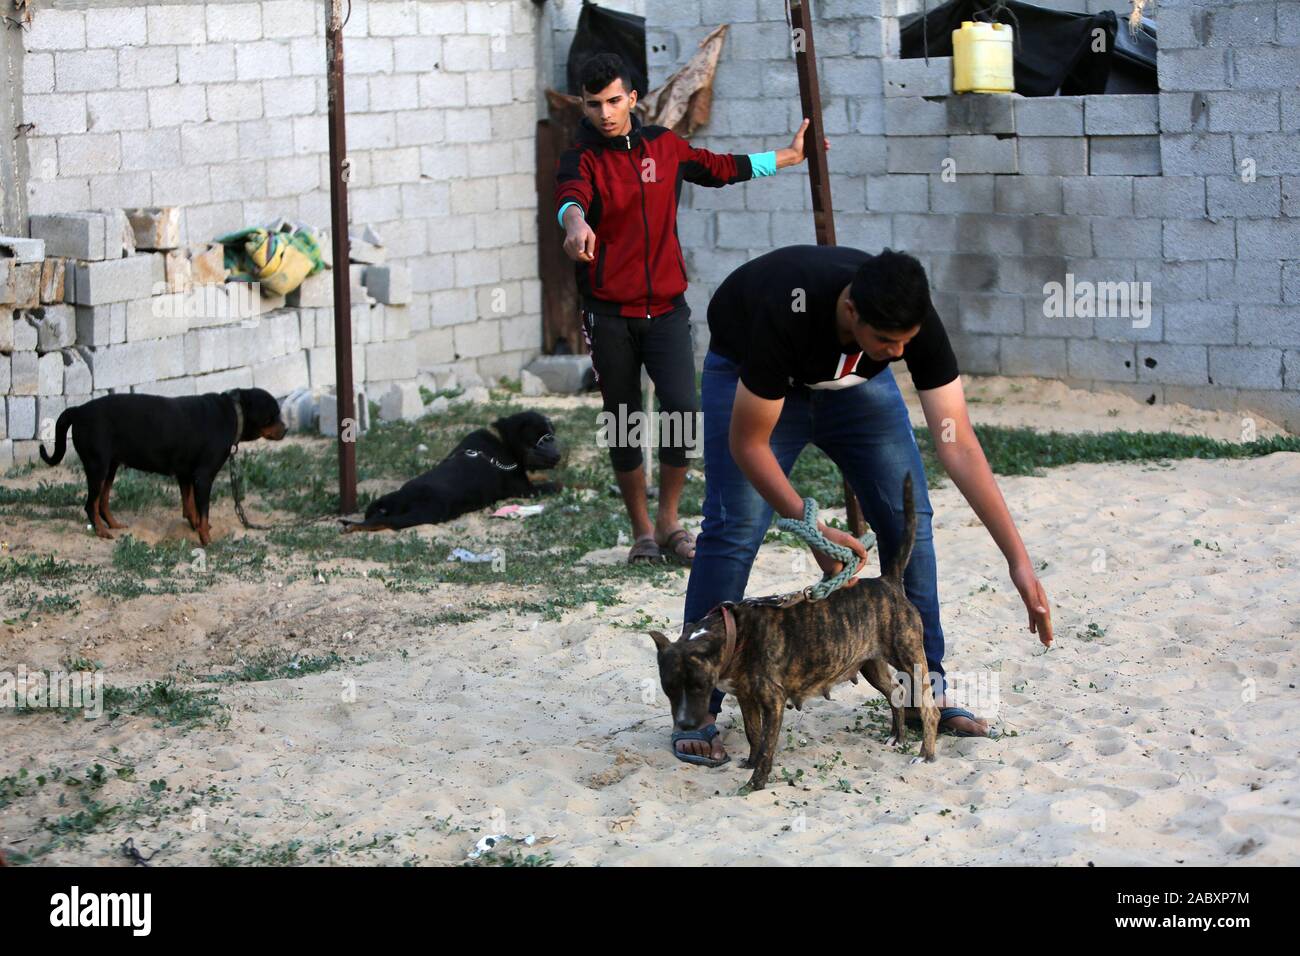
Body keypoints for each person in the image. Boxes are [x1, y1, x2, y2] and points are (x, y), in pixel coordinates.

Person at [671, 245, 1055, 766]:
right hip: (753, 378)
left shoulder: (907, 321)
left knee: (909, 519)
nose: (898, 352)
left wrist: (1018, 559)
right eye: (886, 342)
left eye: (907, 342)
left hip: (851, 390)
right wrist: (814, 529)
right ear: (851, 310)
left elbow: (958, 441)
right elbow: (749, 445)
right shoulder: (787, 309)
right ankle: (702, 708)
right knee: (733, 527)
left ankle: (921, 692)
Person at [554, 53, 827, 565]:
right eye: (594, 105)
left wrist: (789, 158)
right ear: (585, 106)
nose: (605, 113)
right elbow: (571, 197)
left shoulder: (664, 145)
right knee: (624, 419)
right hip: (607, 313)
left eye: (614, 101)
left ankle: (669, 523)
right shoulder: (580, 157)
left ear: (633, 99)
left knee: (681, 410)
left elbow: (720, 168)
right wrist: (574, 223)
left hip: (666, 310)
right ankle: (640, 531)